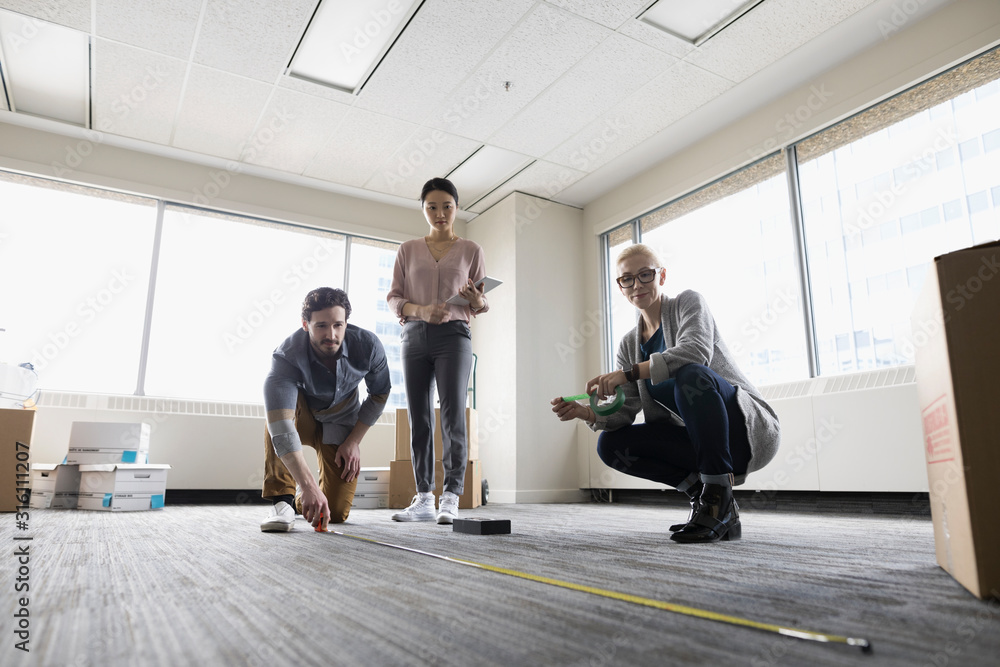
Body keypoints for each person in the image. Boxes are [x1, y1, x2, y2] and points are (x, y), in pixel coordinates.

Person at [550, 244, 780, 543]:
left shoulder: (688, 303)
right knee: (611, 445)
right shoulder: (629, 344)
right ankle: (709, 500)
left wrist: (629, 373)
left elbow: (694, 352)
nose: (637, 285)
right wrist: (589, 414)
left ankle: (717, 499)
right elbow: (627, 408)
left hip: (745, 432)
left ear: (662, 276)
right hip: (698, 442)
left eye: (645, 274)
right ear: (620, 288)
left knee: (691, 375)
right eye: (627, 279)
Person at [387, 177, 488, 524]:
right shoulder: (408, 249)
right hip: (414, 337)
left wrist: (478, 300)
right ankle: (424, 497)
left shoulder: (471, 249)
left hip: (454, 336)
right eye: (432, 206)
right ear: (423, 209)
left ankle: (451, 496)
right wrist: (420, 310)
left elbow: (480, 302)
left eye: (447, 206)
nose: (440, 213)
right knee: (419, 417)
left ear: (456, 208)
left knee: (451, 415)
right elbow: (394, 298)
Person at [260, 287, 391, 532]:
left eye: (337, 325)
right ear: (305, 324)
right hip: (303, 415)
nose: (331, 334)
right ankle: (283, 502)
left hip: (341, 418)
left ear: (346, 323)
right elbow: (281, 427)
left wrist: (353, 441)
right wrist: (310, 484)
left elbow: (380, 394)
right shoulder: (286, 356)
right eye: (321, 326)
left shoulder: (369, 346)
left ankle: (303, 495)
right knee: (276, 417)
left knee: (336, 511)